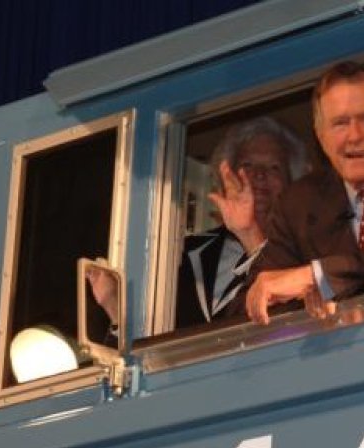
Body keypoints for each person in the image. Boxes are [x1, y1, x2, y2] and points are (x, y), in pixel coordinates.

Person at [240, 61, 364, 325]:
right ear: (321, 137)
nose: (355, 136)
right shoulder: (297, 204)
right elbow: (261, 297)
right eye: (340, 123)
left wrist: (319, 276)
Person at [86, 116, 307, 333]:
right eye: (247, 165)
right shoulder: (176, 256)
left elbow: (288, 324)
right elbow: (143, 353)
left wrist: (250, 234)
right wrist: (116, 311)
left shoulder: (309, 249)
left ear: (293, 184)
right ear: (224, 179)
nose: (258, 175)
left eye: (274, 167)